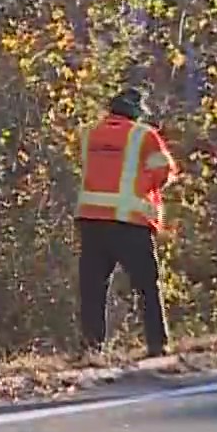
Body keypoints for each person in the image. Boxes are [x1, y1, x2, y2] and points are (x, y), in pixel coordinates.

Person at [75, 86, 178, 358]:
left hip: (91, 219)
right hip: (130, 222)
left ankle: (92, 348)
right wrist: (144, 187)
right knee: (147, 285)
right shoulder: (144, 136)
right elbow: (164, 172)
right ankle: (158, 344)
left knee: (93, 287)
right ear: (136, 112)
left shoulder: (89, 134)